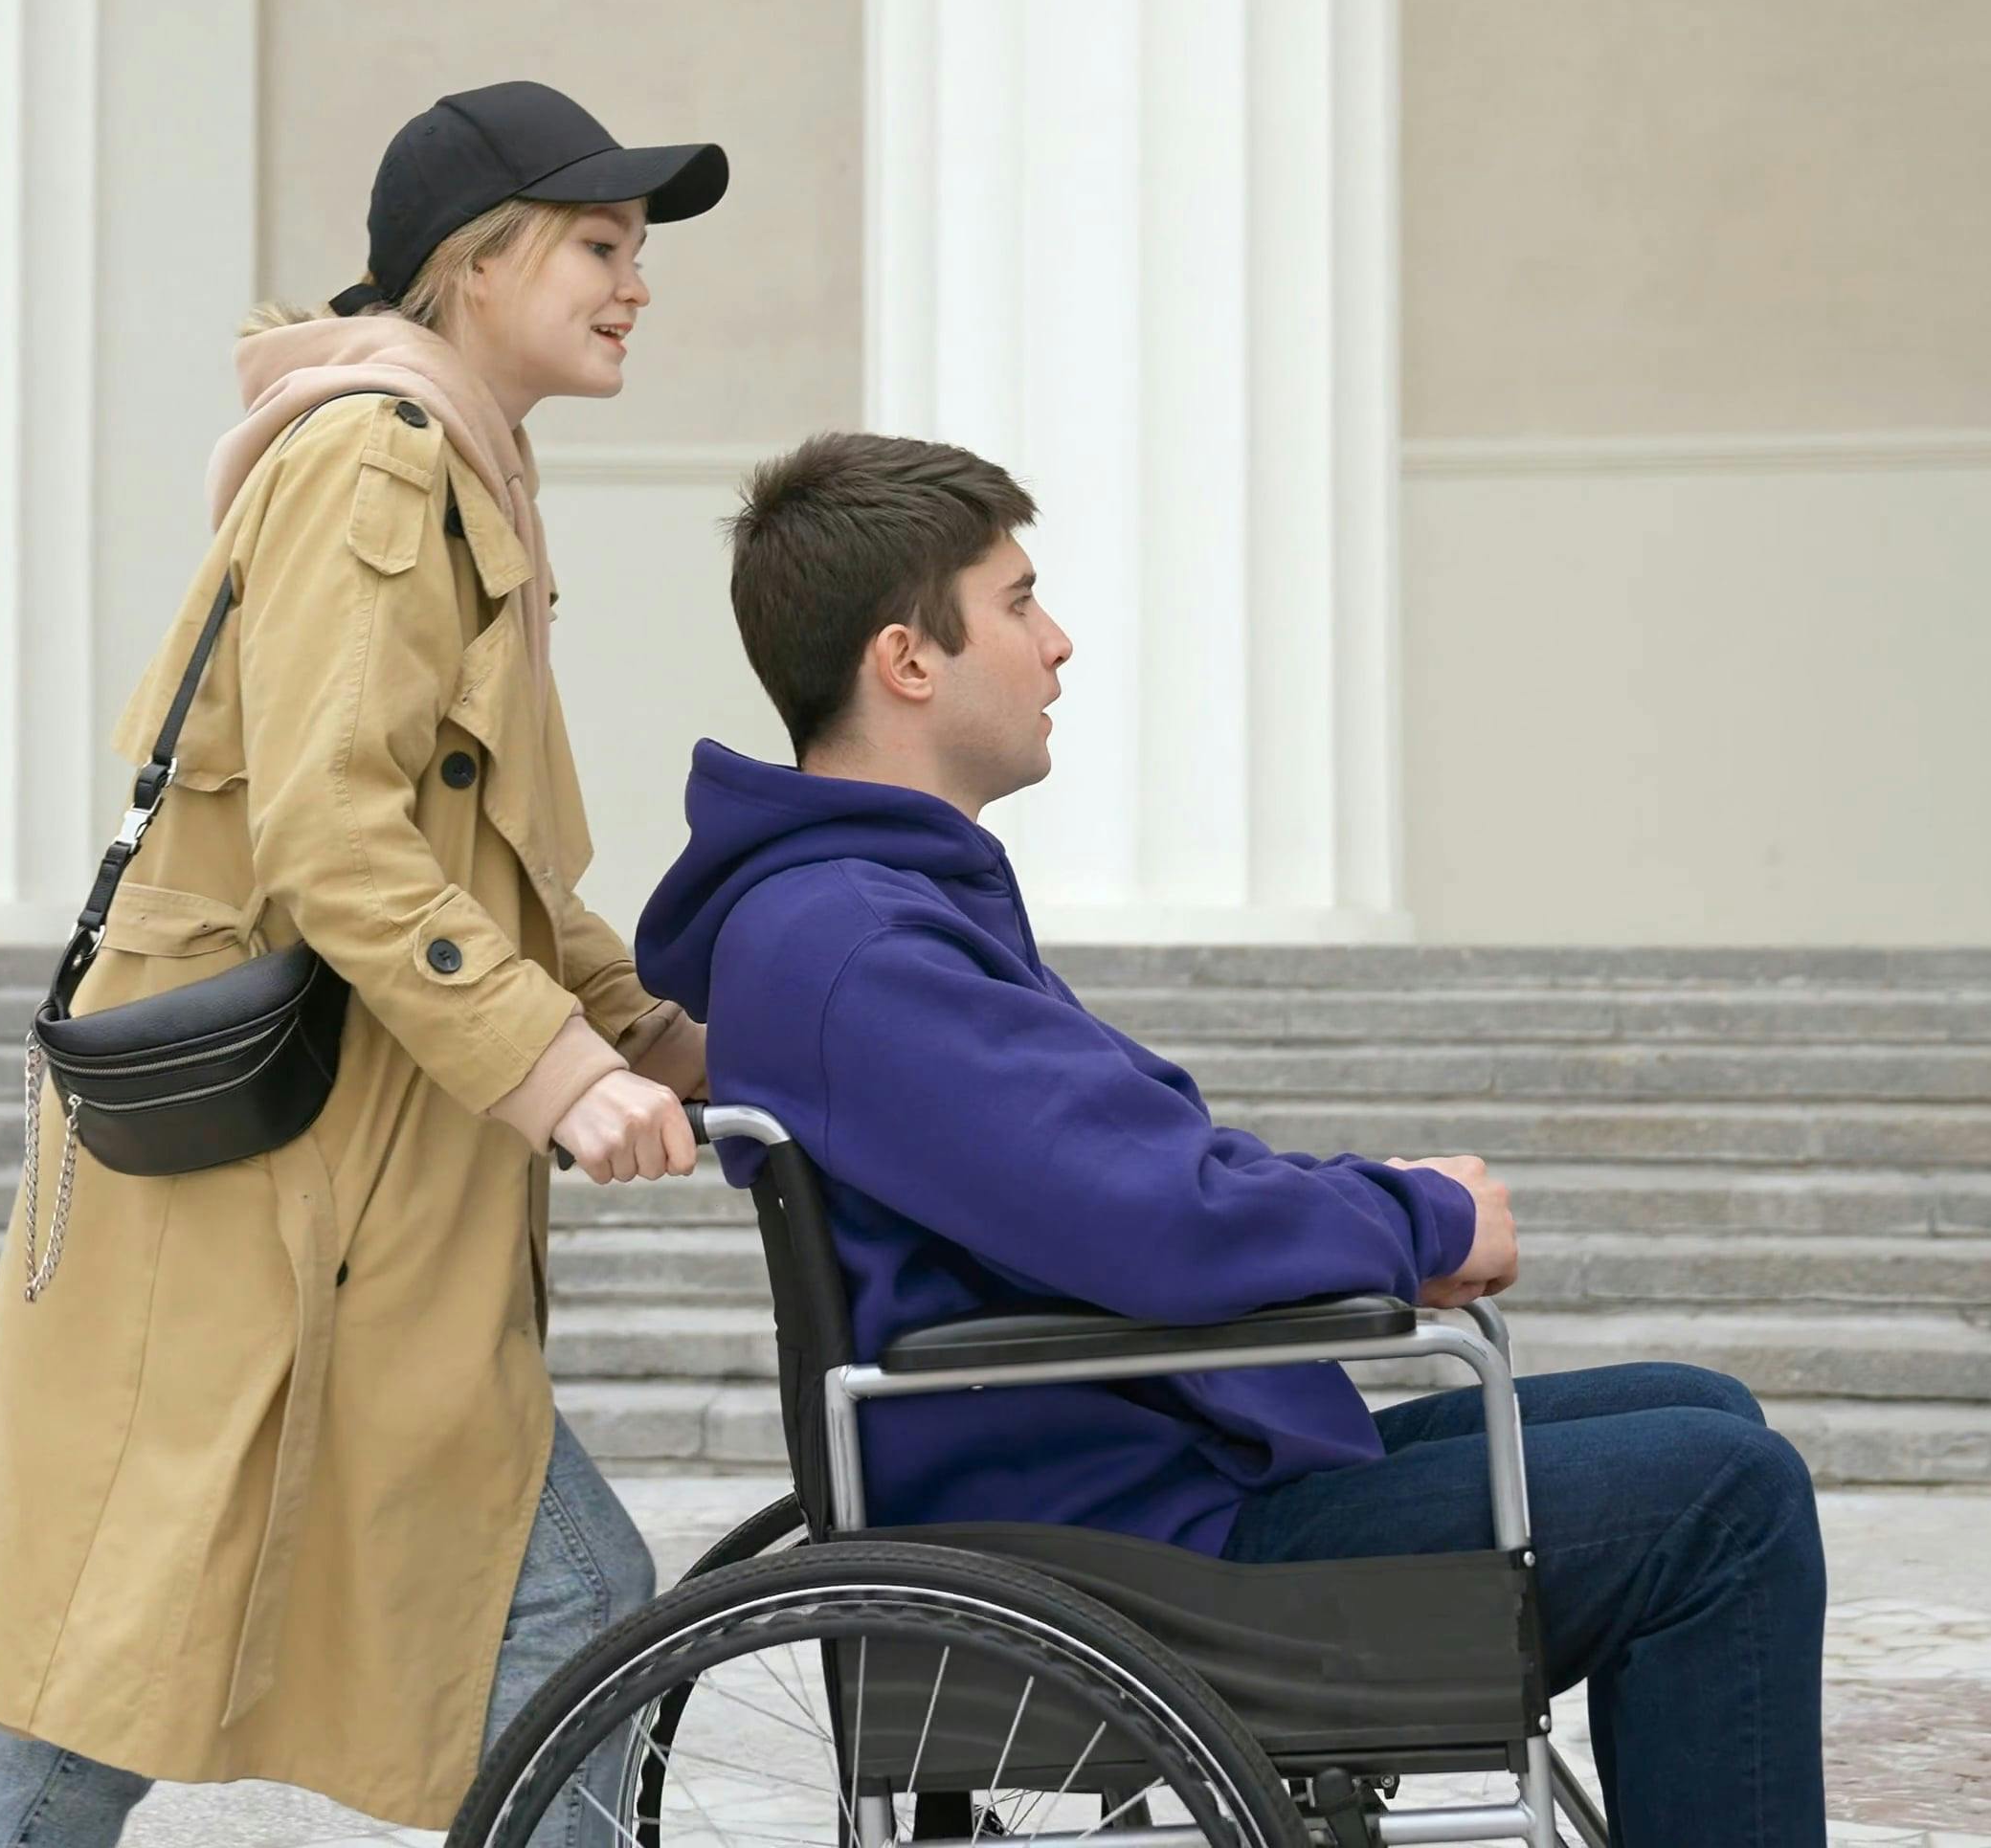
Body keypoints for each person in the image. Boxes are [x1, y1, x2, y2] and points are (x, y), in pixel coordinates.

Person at [633, 433, 1830, 1848]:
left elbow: (1130, 1169)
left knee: (1699, 1411)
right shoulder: (856, 941)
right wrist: (1420, 1221)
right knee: (1723, 1503)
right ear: (909, 662)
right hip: (1128, 1560)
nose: (1059, 643)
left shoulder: (875, 910)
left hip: (1143, 1488)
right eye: (1019, 603)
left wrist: (1384, 1206)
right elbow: (1157, 1216)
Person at [0, 81, 730, 1846]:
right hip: (285, 1183)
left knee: (138, 1652)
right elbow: (333, 828)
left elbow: (486, 854)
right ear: (477, 262)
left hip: (335, 1182)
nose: (634, 284)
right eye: (601, 245)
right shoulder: (380, 456)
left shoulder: (452, 459)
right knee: (530, 1601)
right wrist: (567, 1075)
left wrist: (661, 1038)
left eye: (637, 252)